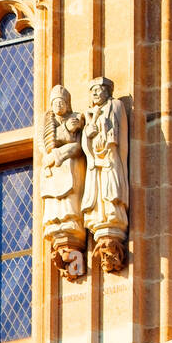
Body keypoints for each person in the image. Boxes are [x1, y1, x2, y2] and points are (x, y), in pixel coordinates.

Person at [81, 77, 129, 272]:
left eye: (99, 90)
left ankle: (112, 215)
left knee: (111, 186)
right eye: (92, 91)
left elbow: (118, 133)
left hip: (110, 156)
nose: (95, 94)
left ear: (107, 92)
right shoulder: (90, 113)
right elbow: (85, 141)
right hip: (95, 161)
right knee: (98, 188)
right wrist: (88, 133)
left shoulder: (115, 106)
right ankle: (101, 219)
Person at [42, 85, 86, 276]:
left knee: (69, 197)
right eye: (55, 103)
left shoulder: (74, 119)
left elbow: (77, 146)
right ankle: (55, 224)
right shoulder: (47, 123)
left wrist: (60, 151)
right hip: (52, 169)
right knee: (54, 200)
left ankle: (70, 222)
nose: (58, 105)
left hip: (69, 166)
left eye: (61, 102)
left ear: (67, 104)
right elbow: (43, 145)